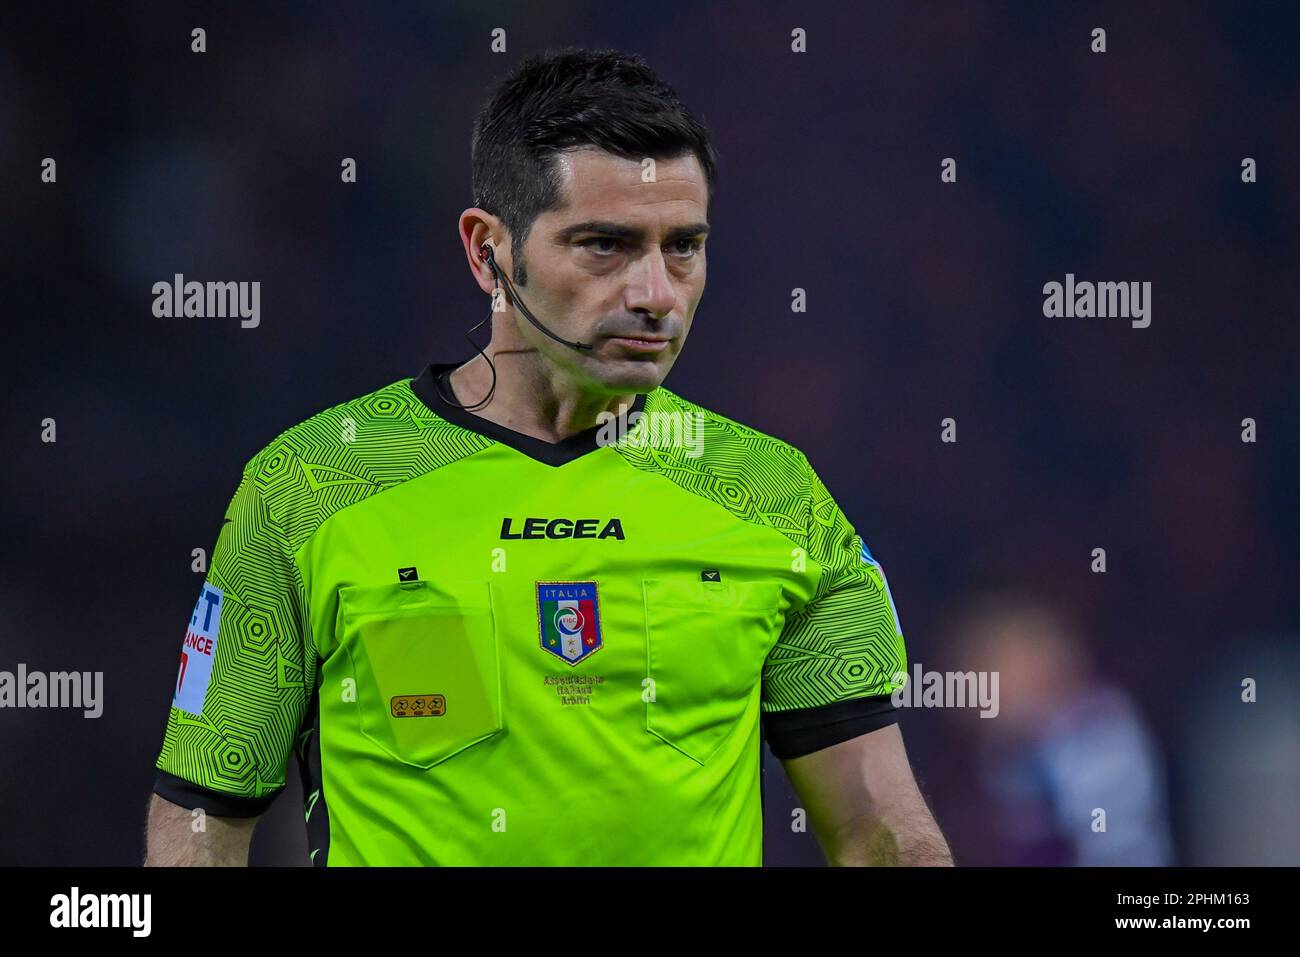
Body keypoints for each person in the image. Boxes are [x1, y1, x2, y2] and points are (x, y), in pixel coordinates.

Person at [144, 46, 952, 867]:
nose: (655, 293)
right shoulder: (315, 483)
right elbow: (200, 819)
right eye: (605, 245)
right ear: (489, 251)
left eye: (683, 246)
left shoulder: (775, 496)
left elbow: (879, 832)